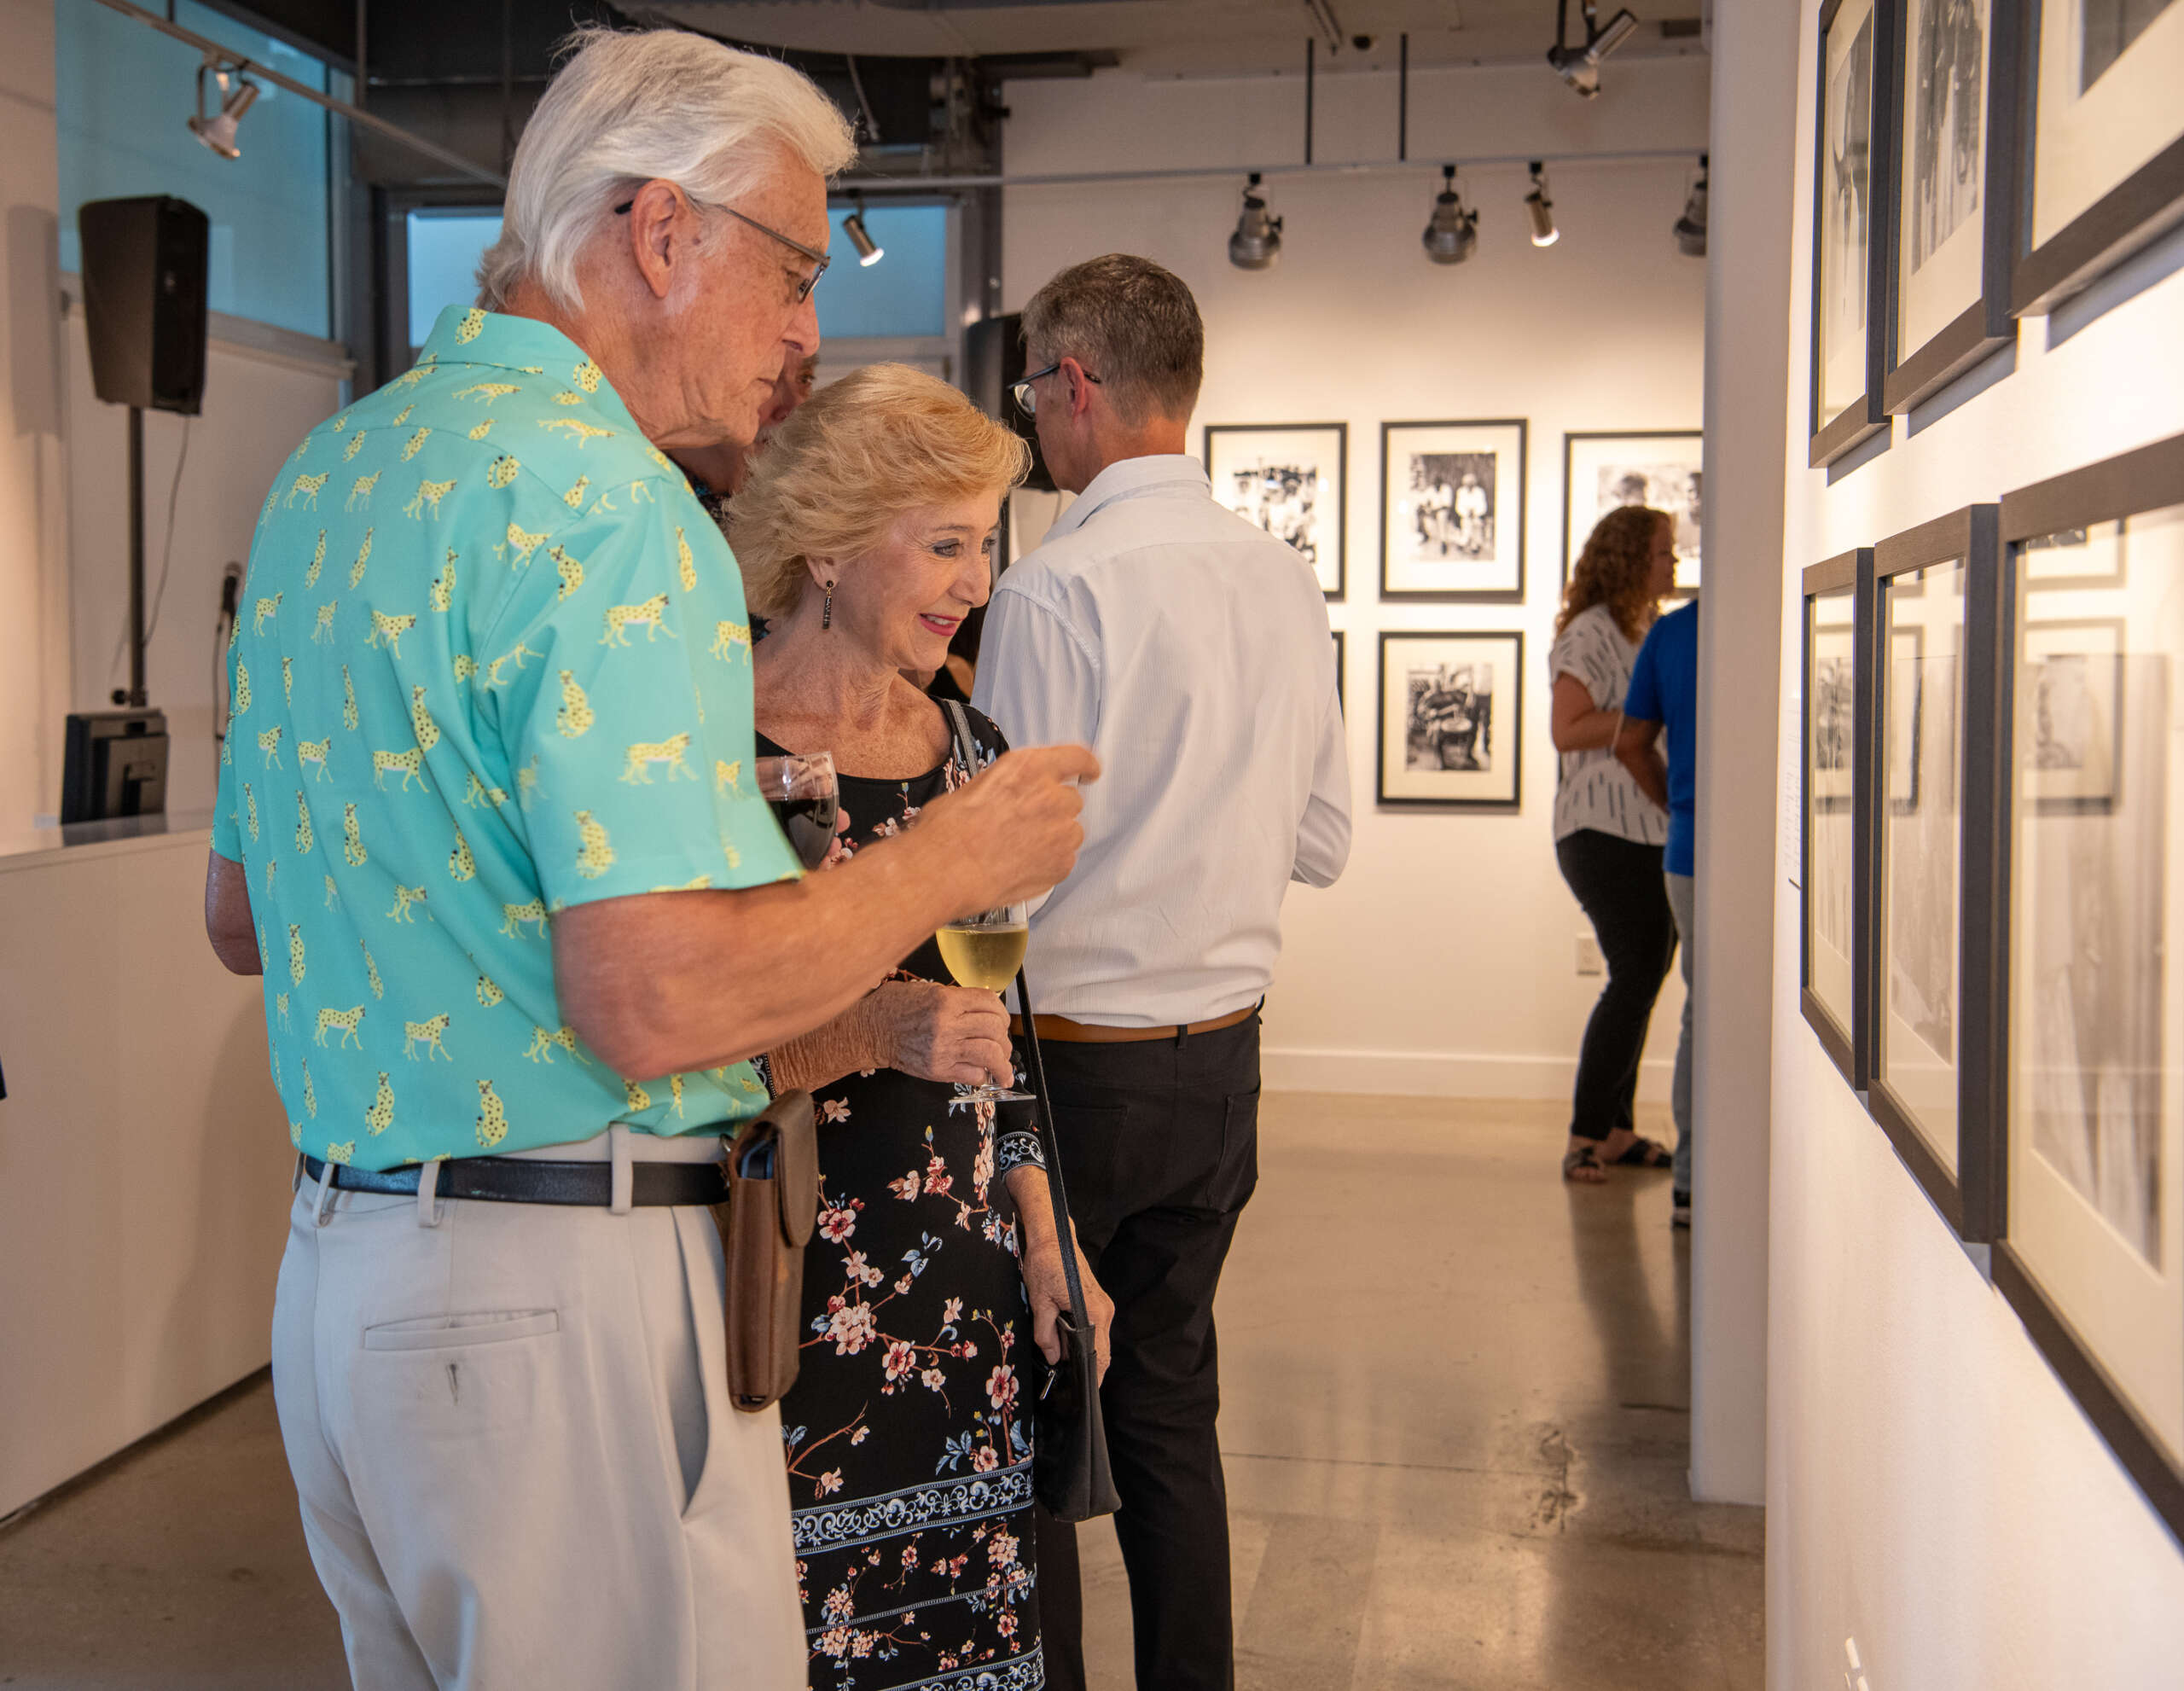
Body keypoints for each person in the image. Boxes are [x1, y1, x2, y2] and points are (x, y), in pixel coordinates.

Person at [200, 30, 1096, 1688]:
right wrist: (948, 857)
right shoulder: (613, 506)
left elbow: (242, 912)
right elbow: (657, 997)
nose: (806, 331)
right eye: (794, 271)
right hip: (558, 1294)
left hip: (341, 1291)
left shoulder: (330, 476)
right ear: (662, 231)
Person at [973, 253, 1351, 1691]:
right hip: (1224, 1060)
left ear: (1074, 384)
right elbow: (1323, 842)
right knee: (1170, 1410)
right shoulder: (1282, 578)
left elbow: (1001, 881)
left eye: (1031, 391)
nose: (1032, 419)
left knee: (1041, 1412)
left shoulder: (1054, 588)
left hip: (1075, 1070)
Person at [728, 363, 1115, 1688]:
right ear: (831, 545)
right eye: (945, 543)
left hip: (962, 1290)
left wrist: (1048, 1234)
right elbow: (677, 1042)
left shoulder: (970, 746)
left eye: (985, 545)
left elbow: (1000, 1035)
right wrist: (879, 1030)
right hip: (782, 1288)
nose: (976, 580)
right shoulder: (719, 749)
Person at [1550, 505, 1681, 1183]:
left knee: (1646, 971)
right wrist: (1640, 717)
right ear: (1631, 560)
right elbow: (1567, 729)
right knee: (1635, 972)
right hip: (1601, 829)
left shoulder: (1653, 629)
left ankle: (1618, 1130)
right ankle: (1586, 1133)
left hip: (1651, 825)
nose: (1674, 563)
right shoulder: (1591, 633)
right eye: (1663, 552)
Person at [1618, 590, 1702, 1228]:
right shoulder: (1771, 622)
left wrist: (1677, 807)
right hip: (1715, 848)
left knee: (1704, 1012)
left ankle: (1692, 1183)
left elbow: (1631, 742)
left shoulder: (1672, 634)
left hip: (1688, 849)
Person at [679, 348, 822, 534]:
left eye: (805, 379)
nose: (797, 407)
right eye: (766, 380)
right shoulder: (656, 499)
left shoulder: (817, 505)